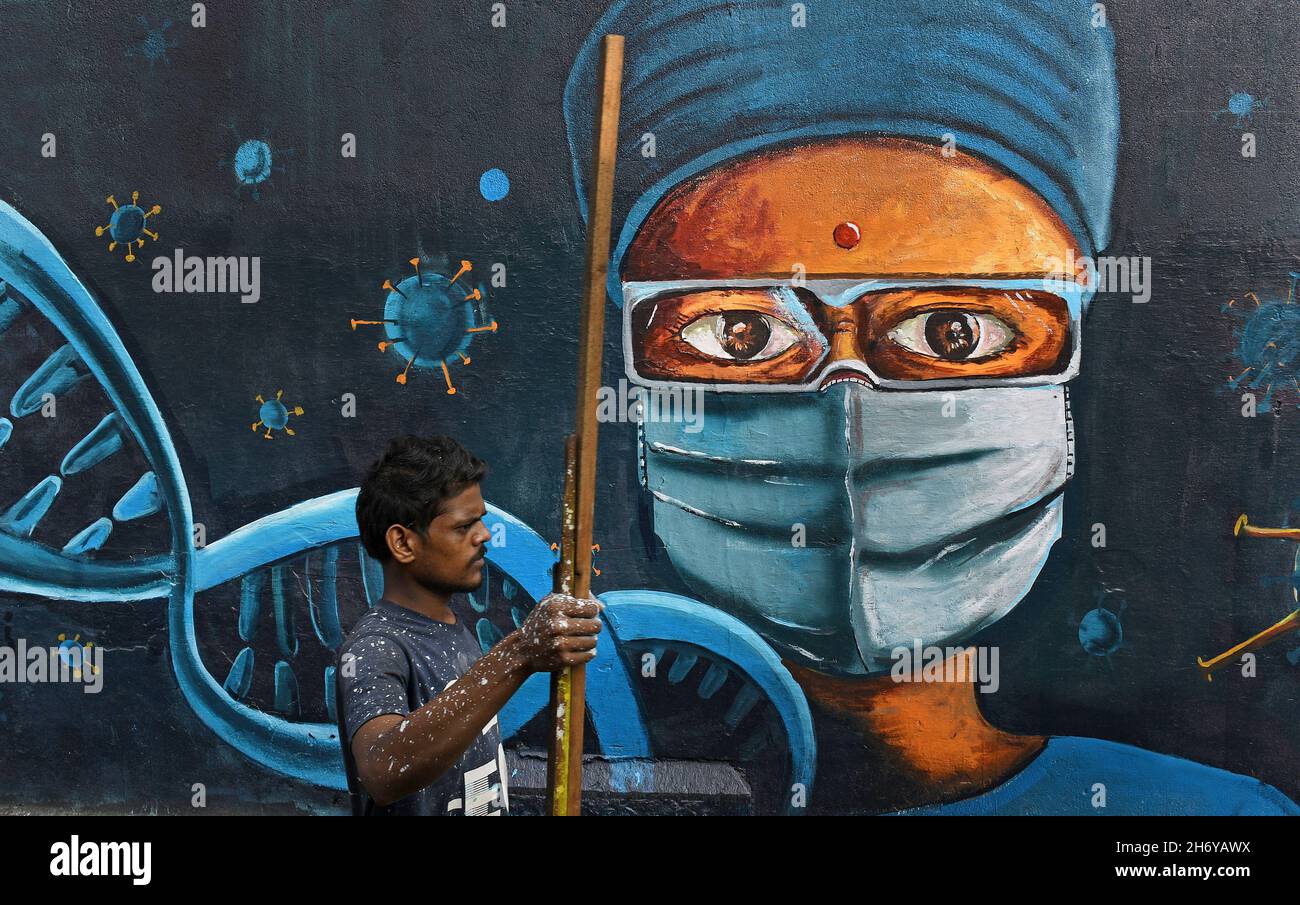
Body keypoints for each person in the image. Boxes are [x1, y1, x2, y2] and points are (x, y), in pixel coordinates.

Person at [562, 0, 1299, 813]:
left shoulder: (1203, 823)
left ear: (1073, 331)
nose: (847, 405)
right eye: (740, 333)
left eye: (954, 331)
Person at [334, 434, 602, 816]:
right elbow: (382, 771)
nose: (483, 535)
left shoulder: (453, 628)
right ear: (403, 543)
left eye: (481, 521)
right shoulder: (375, 647)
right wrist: (521, 651)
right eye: (463, 527)